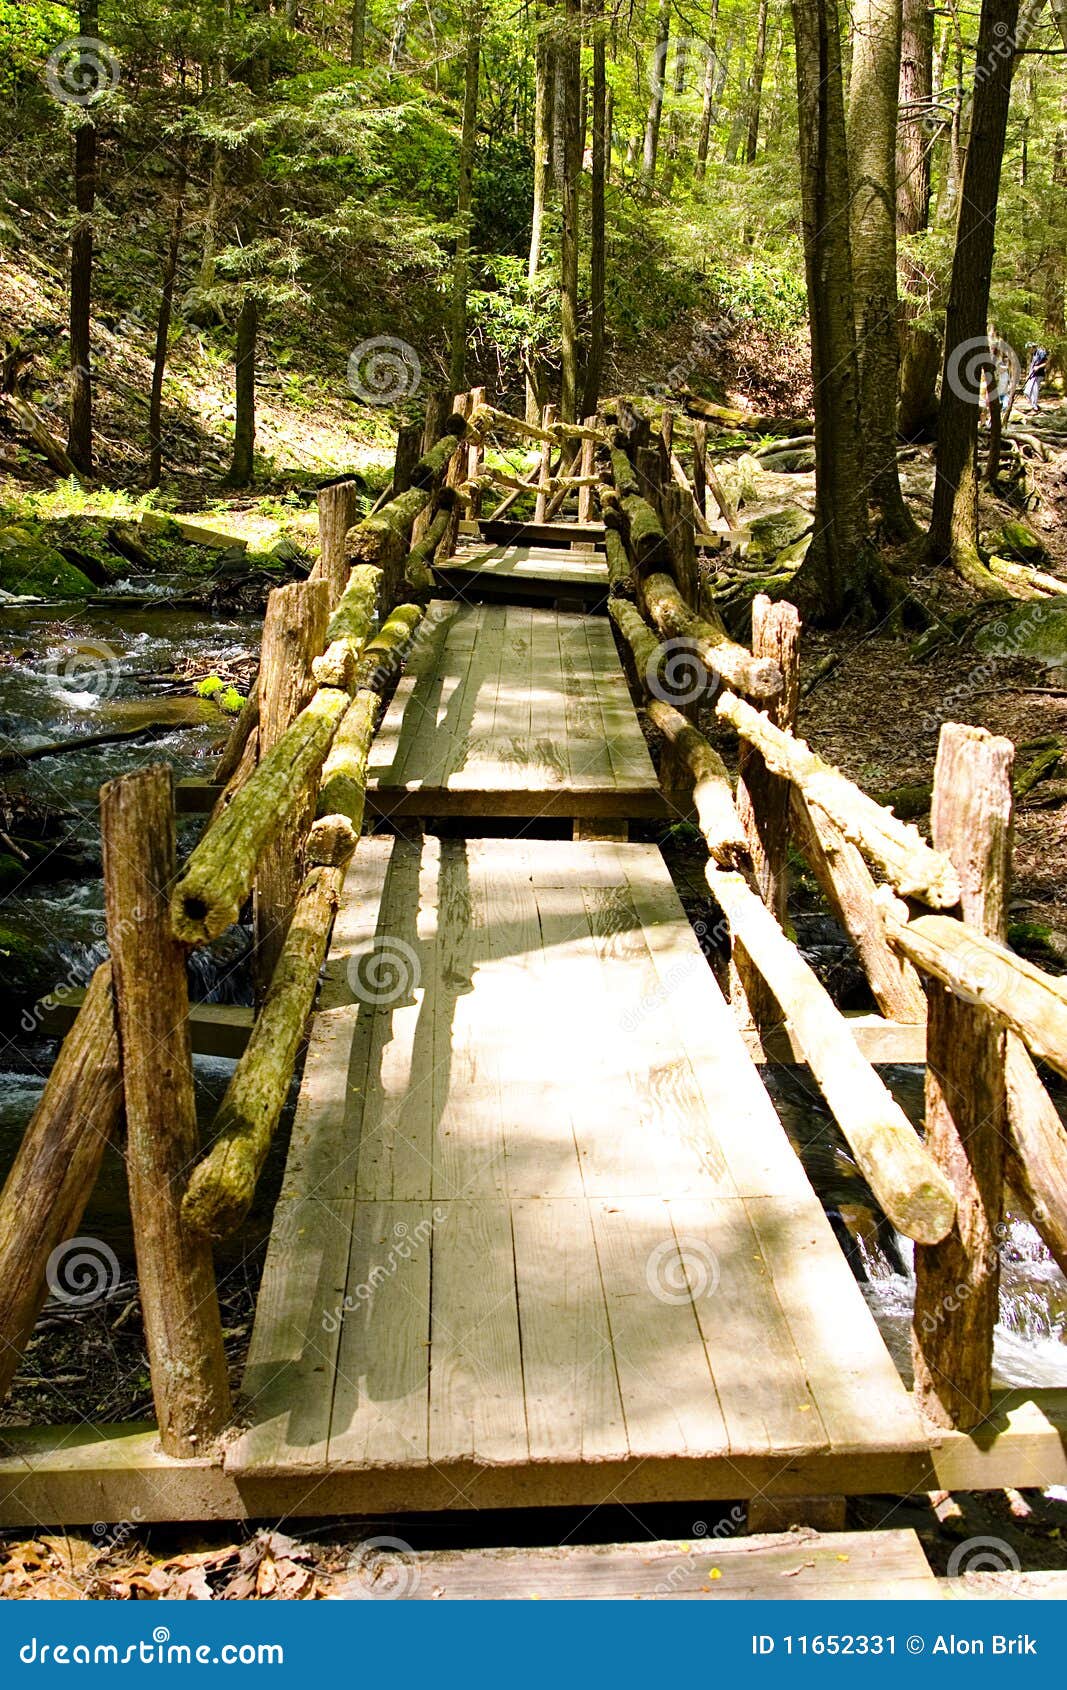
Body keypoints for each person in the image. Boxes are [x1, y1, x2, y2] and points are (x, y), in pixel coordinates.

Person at [1024, 344, 1049, 411]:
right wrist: (1028, 375)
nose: (1029, 350)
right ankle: (1033, 404)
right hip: (1033, 375)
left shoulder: (1041, 352)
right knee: (1027, 391)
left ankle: (1034, 405)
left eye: (1029, 348)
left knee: (1034, 389)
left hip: (1039, 374)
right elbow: (1032, 365)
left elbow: (1046, 363)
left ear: (1033, 347)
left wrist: (1038, 367)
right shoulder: (1034, 354)